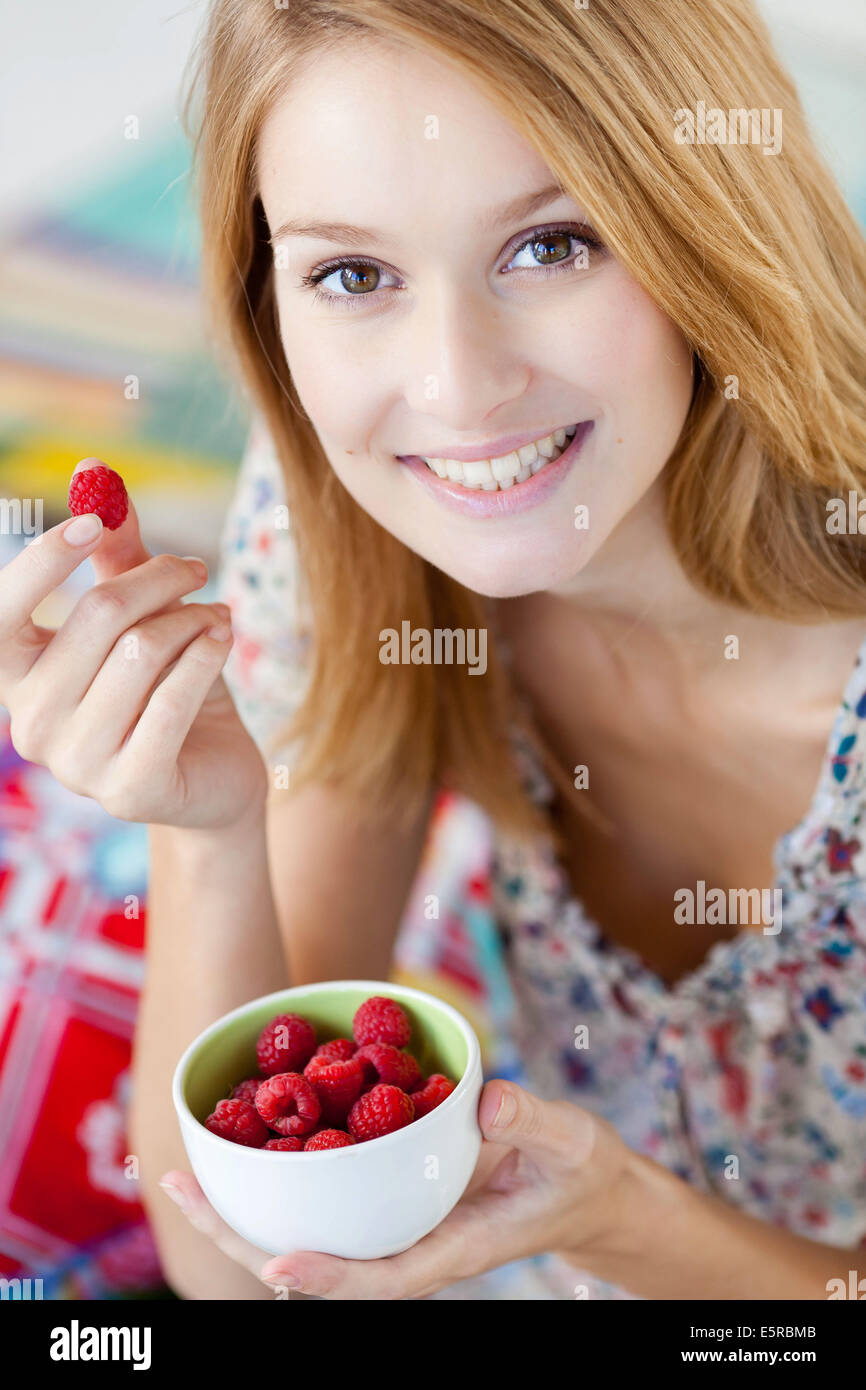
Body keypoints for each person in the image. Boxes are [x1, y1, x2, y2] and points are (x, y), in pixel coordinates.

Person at [2, 0, 865, 1299]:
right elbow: (229, 1272)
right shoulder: (346, 531)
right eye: (353, 274)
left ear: (704, 222)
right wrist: (208, 827)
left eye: (552, 244)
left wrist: (618, 1218)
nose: (456, 389)